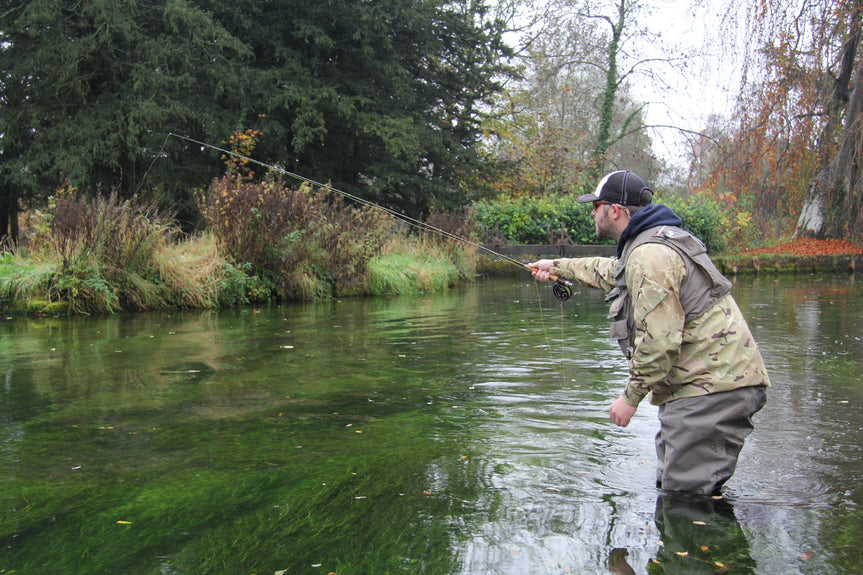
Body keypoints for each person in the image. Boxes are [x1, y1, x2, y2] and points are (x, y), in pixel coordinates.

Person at [529, 170, 770, 496]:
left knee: (687, 501)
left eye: (596, 205)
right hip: (706, 386)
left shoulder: (649, 254)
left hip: (711, 390)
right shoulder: (650, 244)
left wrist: (630, 398)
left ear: (614, 210)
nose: (592, 213)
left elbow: (660, 341)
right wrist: (557, 267)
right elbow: (609, 272)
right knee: (675, 493)